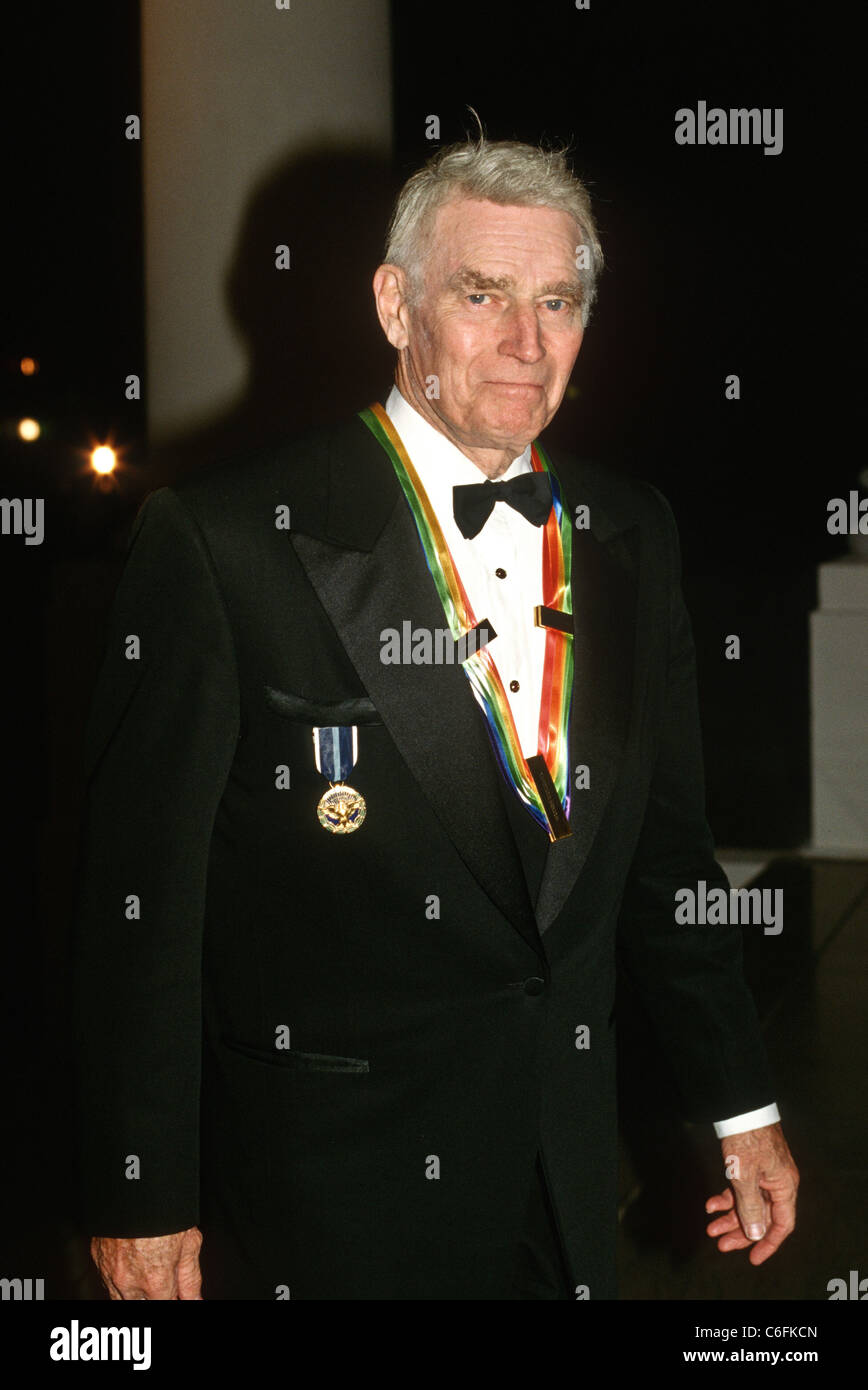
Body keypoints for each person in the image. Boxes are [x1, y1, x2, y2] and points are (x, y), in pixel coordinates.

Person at [73, 137, 799, 1301]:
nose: (525, 340)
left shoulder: (629, 531)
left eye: (556, 301)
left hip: (561, 1171)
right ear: (394, 304)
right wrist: (138, 1190)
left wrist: (742, 1107)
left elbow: (666, 853)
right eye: (482, 295)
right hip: (327, 1194)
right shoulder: (223, 543)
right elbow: (142, 907)